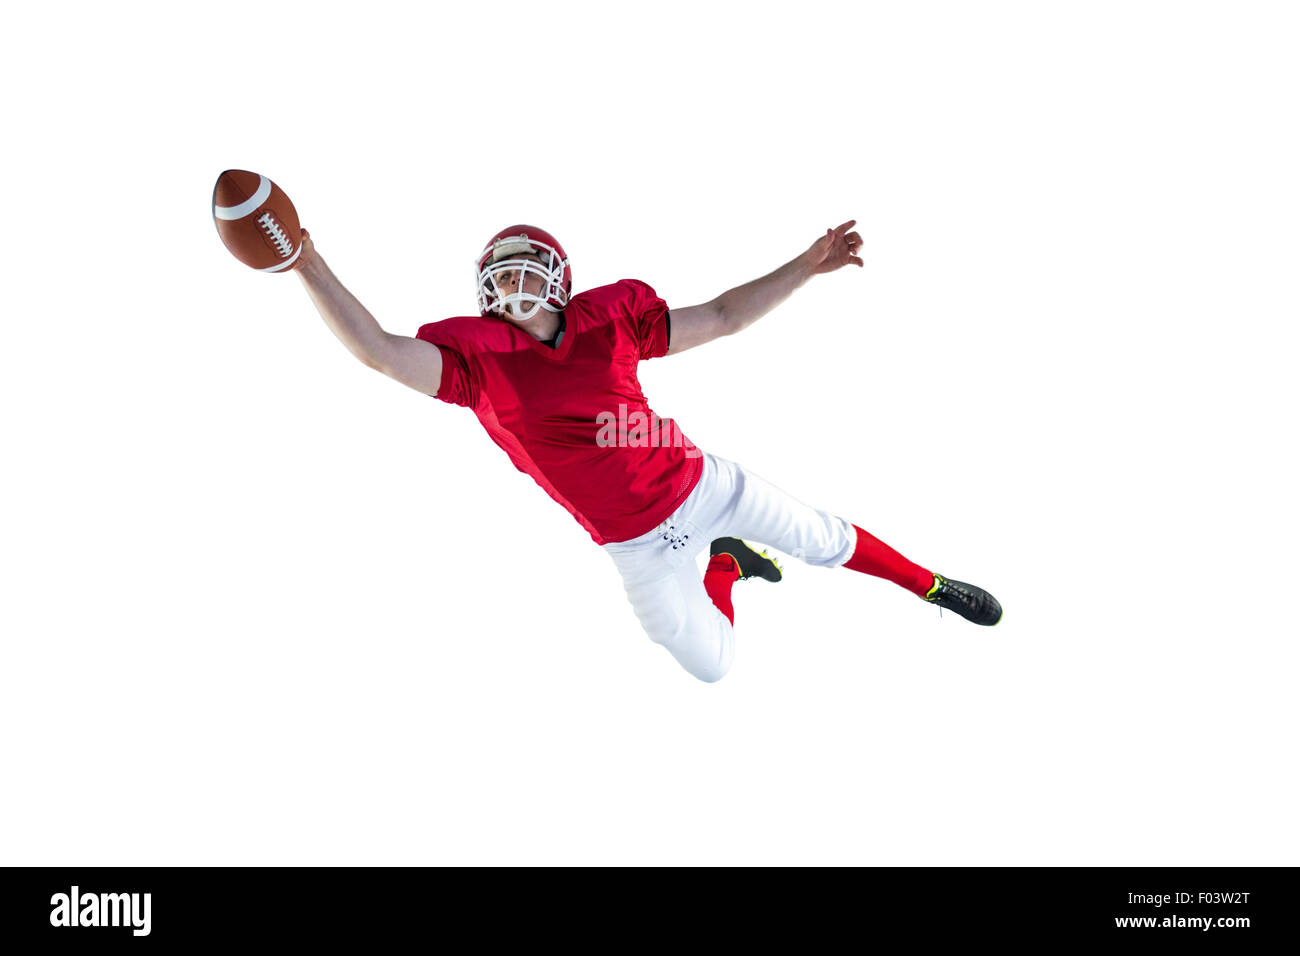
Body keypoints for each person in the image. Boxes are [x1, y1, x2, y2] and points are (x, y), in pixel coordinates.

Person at [293, 220, 1001, 682]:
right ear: (485, 291)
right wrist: (309, 263)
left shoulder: (610, 321)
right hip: (634, 547)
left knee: (823, 537)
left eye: (524, 267)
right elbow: (381, 353)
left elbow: (723, 316)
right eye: (500, 273)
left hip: (703, 487)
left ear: (558, 275)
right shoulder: (476, 363)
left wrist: (807, 264)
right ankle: (725, 565)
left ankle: (932, 587)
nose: (512, 280)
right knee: (713, 667)